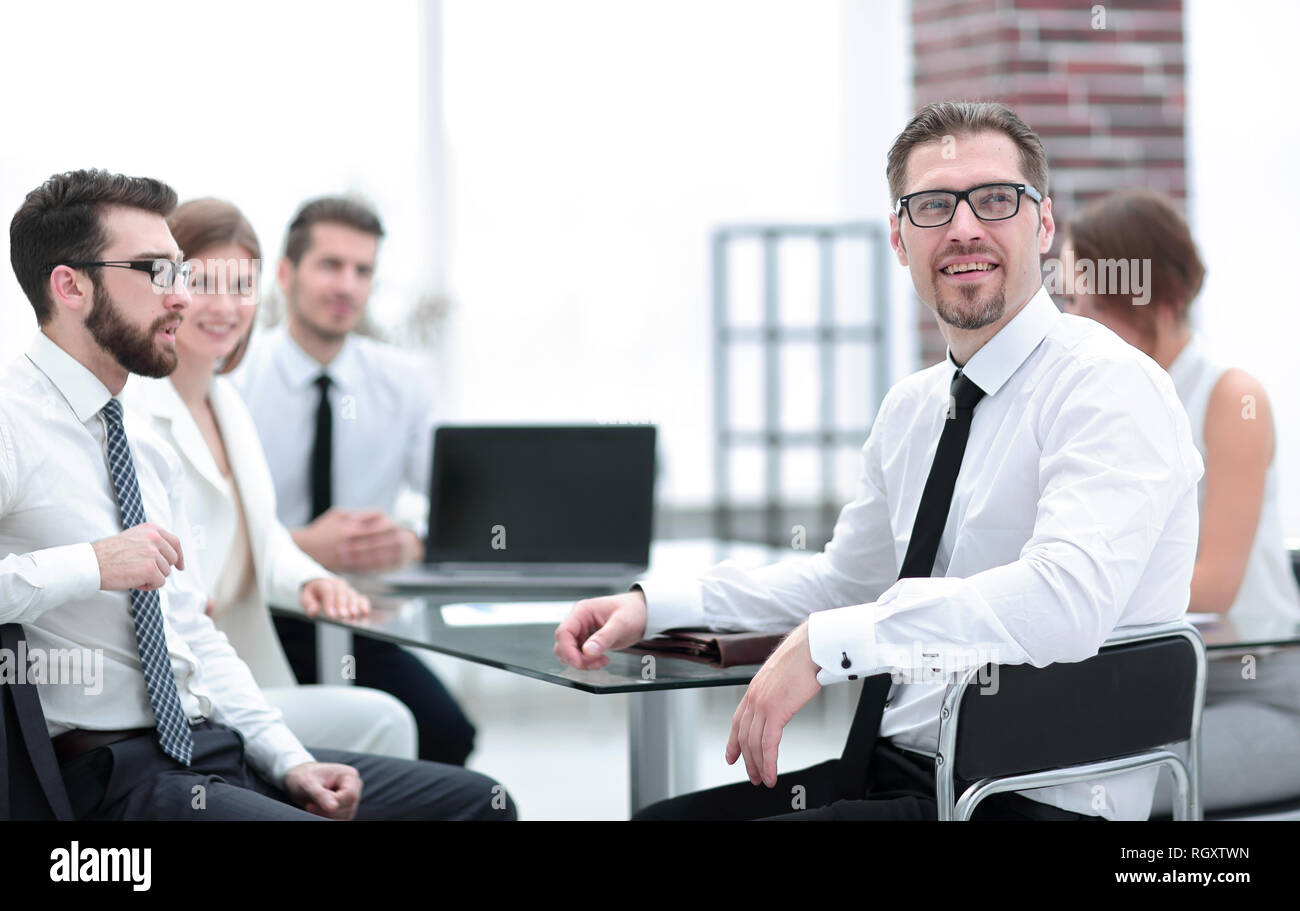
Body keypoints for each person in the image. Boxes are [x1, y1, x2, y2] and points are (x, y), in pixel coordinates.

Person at [555, 101, 1204, 821]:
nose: (964, 227)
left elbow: (1064, 601)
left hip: (1025, 797)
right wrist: (658, 605)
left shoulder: (1108, 384)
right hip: (893, 774)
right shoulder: (913, 407)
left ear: (1043, 225)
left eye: (994, 200)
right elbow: (846, 580)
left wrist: (829, 643)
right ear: (899, 238)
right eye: (932, 206)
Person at [2, 169, 514, 820]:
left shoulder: (142, 437)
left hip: (211, 744)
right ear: (70, 285)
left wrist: (290, 759)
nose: (182, 297)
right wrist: (91, 565)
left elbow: (193, 631)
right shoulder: (11, 424)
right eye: (155, 271)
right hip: (118, 772)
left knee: (478, 805)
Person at [120, 196, 418, 758]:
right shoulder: (136, 411)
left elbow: (263, 538)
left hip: (238, 667)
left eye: (241, 286)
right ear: (166, 286)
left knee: (388, 722)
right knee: (386, 723)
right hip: (182, 688)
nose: (225, 307)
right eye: (205, 282)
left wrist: (310, 581)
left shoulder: (227, 404)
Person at [1061, 188, 1300, 814]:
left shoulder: (1230, 396)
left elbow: (1216, 585)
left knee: (1096, 792)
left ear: (1155, 301)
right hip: (1157, 687)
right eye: (1070, 302)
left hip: (1255, 696)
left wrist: (1076, 593)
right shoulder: (1108, 405)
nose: (1073, 320)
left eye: (1090, 303)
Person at [231, 197, 475, 766]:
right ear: (286, 274)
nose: (347, 285)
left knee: (446, 734)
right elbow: (202, 530)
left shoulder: (404, 382)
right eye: (330, 265)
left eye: (362, 271)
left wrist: (412, 540)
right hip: (260, 613)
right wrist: (298, 546)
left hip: (359, 618)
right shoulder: (235, 380)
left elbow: (460, 508)